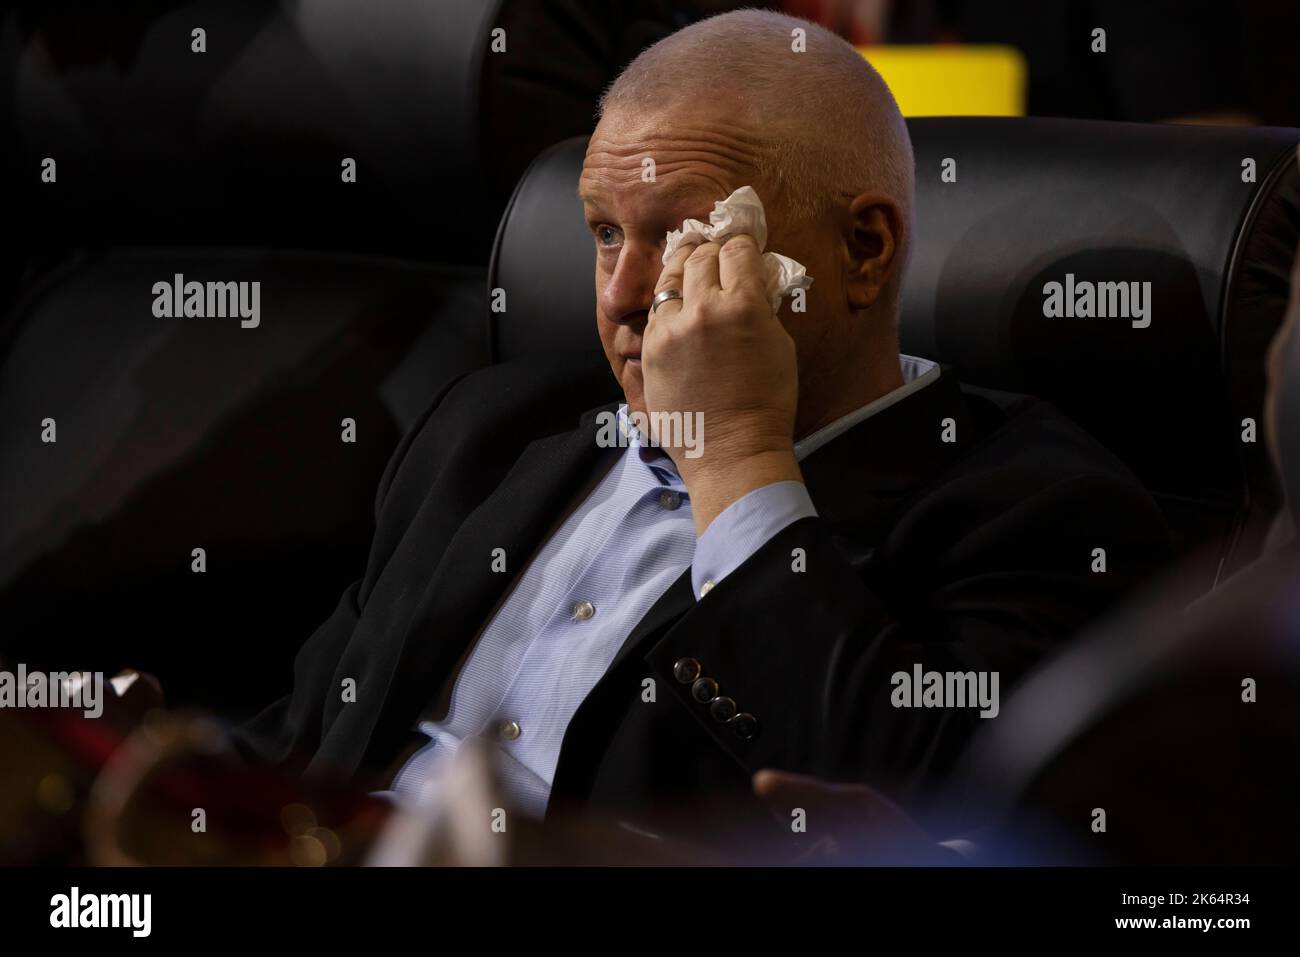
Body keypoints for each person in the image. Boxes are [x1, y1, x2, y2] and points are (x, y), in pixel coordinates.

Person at [232, 10, 1170, 850]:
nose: (620, 295)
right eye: (603, 233)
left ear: (863, 251)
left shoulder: (1040, 508)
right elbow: (306, 735)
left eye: (683, 236)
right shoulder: (487, 429)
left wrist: (735, 459)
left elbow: (915, 815)